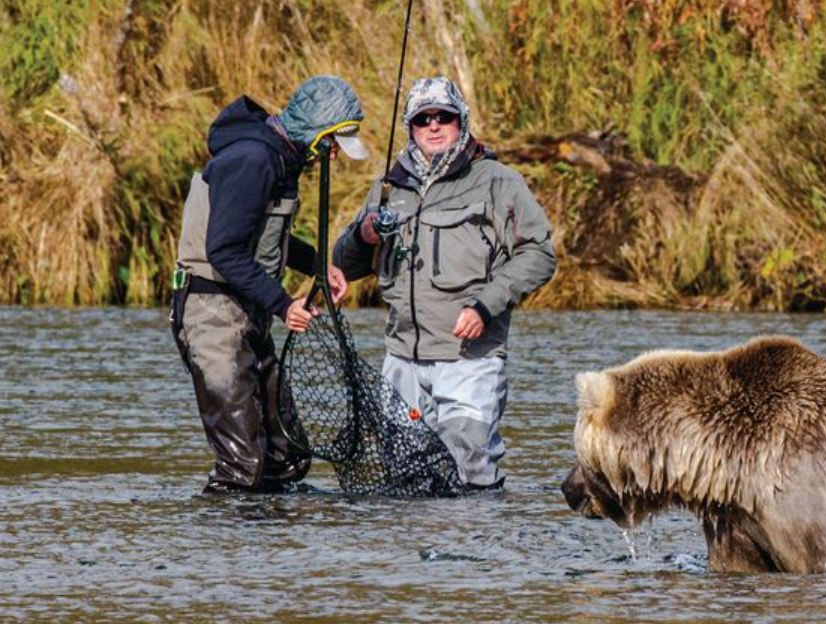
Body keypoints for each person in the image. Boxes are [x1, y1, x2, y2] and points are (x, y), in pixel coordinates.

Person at [333, 76, 556, 491]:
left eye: (444, 117)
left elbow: (539, 254)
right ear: (410, 127)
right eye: (423, 119)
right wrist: (363, 235)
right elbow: (344, 264)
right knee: (407, 481)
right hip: (401, 361)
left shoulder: (496, 181)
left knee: (468, 472)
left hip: (469, 359)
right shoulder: (388, 187)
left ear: (462, 121)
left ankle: (472, 555)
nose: (434, 126)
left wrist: (484, 306)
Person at [170, 75, 368, 494]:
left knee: (288, 455)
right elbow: (223, 250)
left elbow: (259, 236)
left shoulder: (280, 159)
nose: (330, 154)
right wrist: (283, 304)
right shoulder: (253, 160)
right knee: (244, 467)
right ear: (316, 132)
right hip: (212, 313)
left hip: (248, 309)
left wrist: (317, 265)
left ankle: (273, 553)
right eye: (331, 144)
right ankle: (224, 554)